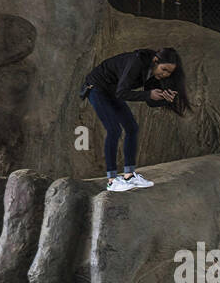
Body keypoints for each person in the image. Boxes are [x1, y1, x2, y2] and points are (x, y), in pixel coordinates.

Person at [79, 46, 190, 192]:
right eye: (164, 69)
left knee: (132, 128)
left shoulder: (152, 73)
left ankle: (129, 176)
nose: (165, 74)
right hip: (96, 88)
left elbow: (150, 102)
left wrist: (165, 99)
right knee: (114, 130)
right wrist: (148, 94)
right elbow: (123, 92)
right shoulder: (136, 62)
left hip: (112, 91)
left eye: (169, 72)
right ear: (156, 60)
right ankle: (112, 180)